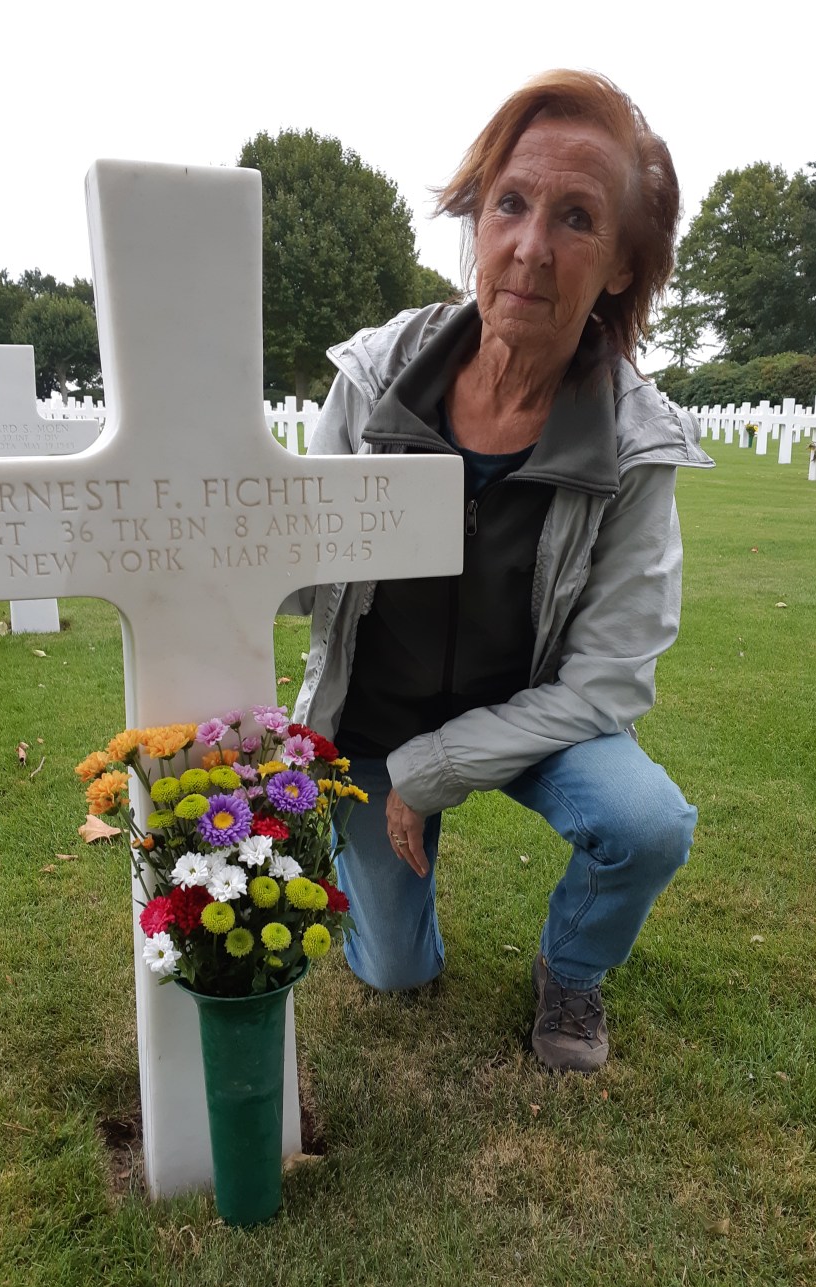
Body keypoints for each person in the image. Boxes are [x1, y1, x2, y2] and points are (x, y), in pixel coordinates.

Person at [289, 70, 714, 1073]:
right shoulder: (371, 380)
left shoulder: (632, 447)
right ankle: (391, 911)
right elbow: (297, 569)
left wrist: (437, 771)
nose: (529, 247)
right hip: (375, 720)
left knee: (645, 822)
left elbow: (610, 680)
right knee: (395, 975)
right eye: (509, 204)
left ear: (617, 264)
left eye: (576, 219)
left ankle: (572, 972)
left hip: (533, 715)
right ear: (476, 217)